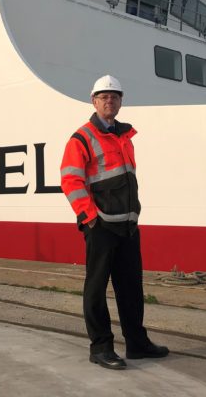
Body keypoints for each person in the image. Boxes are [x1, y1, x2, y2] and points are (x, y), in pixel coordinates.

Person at [60, 75, 169, 370]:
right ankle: (101, 347)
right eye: (104, 96)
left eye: (115, 96)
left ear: (121, 101)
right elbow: (70, 180)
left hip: (128, 226)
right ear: (94, 101)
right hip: (102, 226)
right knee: (96, 288)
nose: (110, 101)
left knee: (131, 287)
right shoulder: (82, 137)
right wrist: (90, 218)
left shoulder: (124, 136)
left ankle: (137, 344)